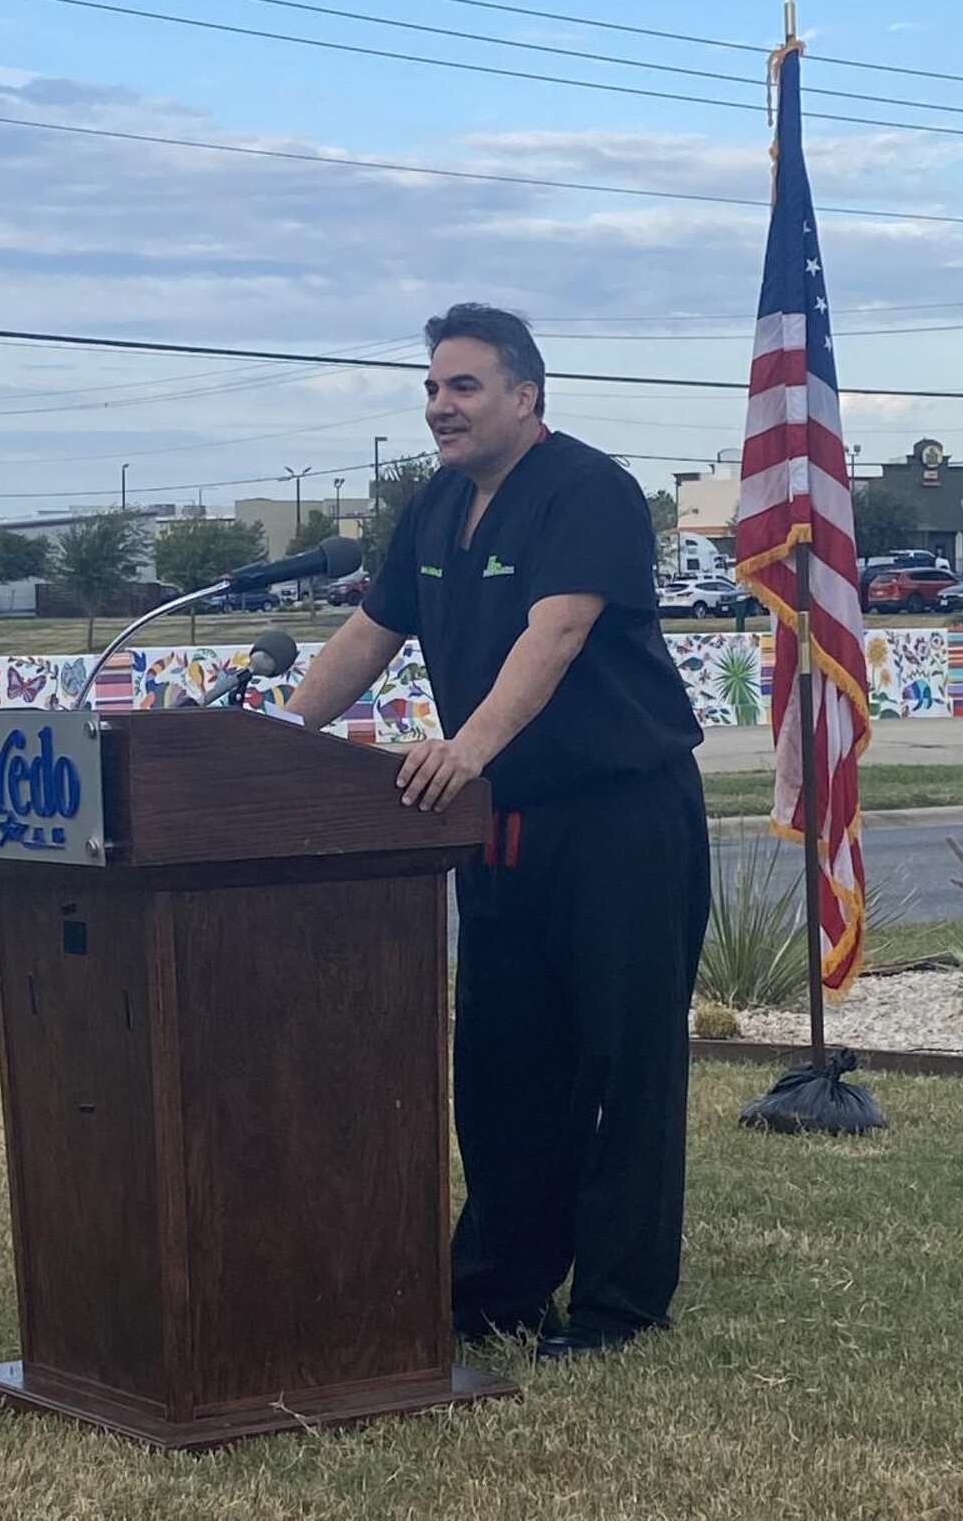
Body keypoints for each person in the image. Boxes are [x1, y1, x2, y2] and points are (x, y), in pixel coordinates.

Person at [287, 303, 710, 1358]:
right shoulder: (433, 507)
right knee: (505, 1062)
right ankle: (499, 1288)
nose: (440, 407)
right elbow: (367, 634)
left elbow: (555, 632)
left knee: (625, 1064)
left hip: (622, 818)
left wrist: (466, 748)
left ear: (527, 396)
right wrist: (277, 739)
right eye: (432, 388)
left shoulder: (590, 491)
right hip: (500, 828)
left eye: (463, 386)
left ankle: (620, 1306)